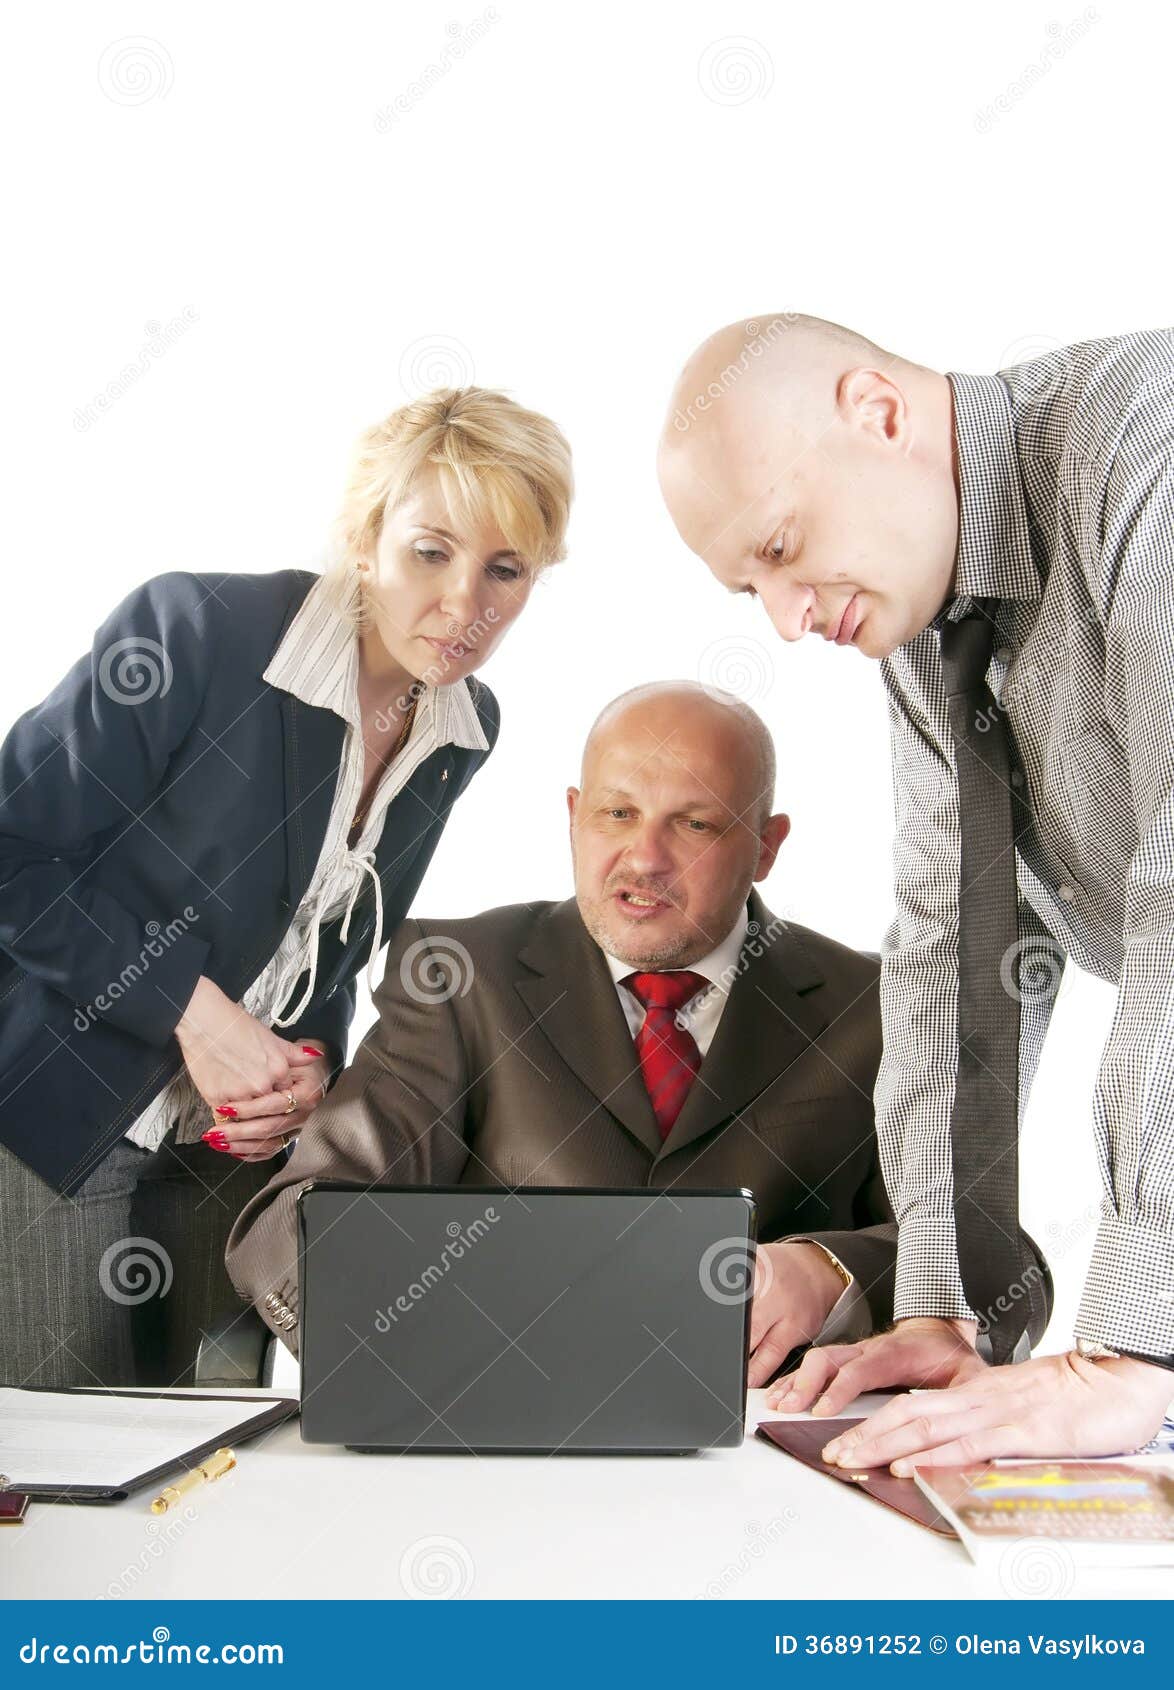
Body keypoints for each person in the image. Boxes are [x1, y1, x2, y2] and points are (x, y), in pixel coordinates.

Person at [657, 314, 1174, 1465]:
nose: (790, 622)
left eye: (783, 546)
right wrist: (948, 1301)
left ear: (879, 415)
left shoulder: (1149, 448)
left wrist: (1139, 1346)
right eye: (754, 591)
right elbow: (959, 948)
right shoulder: (928, 637)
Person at [226, 682, 1051, 1379]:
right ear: (576, 816)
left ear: (766, 847)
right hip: (505, 1459)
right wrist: (466, 1339)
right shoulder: (458, 976)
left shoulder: (879, 1004)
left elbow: (1009, 1266)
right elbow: (291, 1227)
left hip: (776, 1469)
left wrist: (836, 1273)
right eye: (618, 813)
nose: (644, 856)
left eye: (695, 824)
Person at [0, 385, 573, 1388]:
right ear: (363, 539)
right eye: (430, 551)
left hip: (236, 1150)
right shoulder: (196, 631)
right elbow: (15, 855)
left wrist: (315, 1068)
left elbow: (328, 938)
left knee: (213, 1453)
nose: (464, 607)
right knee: (72, 1462)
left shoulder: (462, 724)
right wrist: (193, 1012)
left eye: (505, 570)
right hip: (57, 1114)